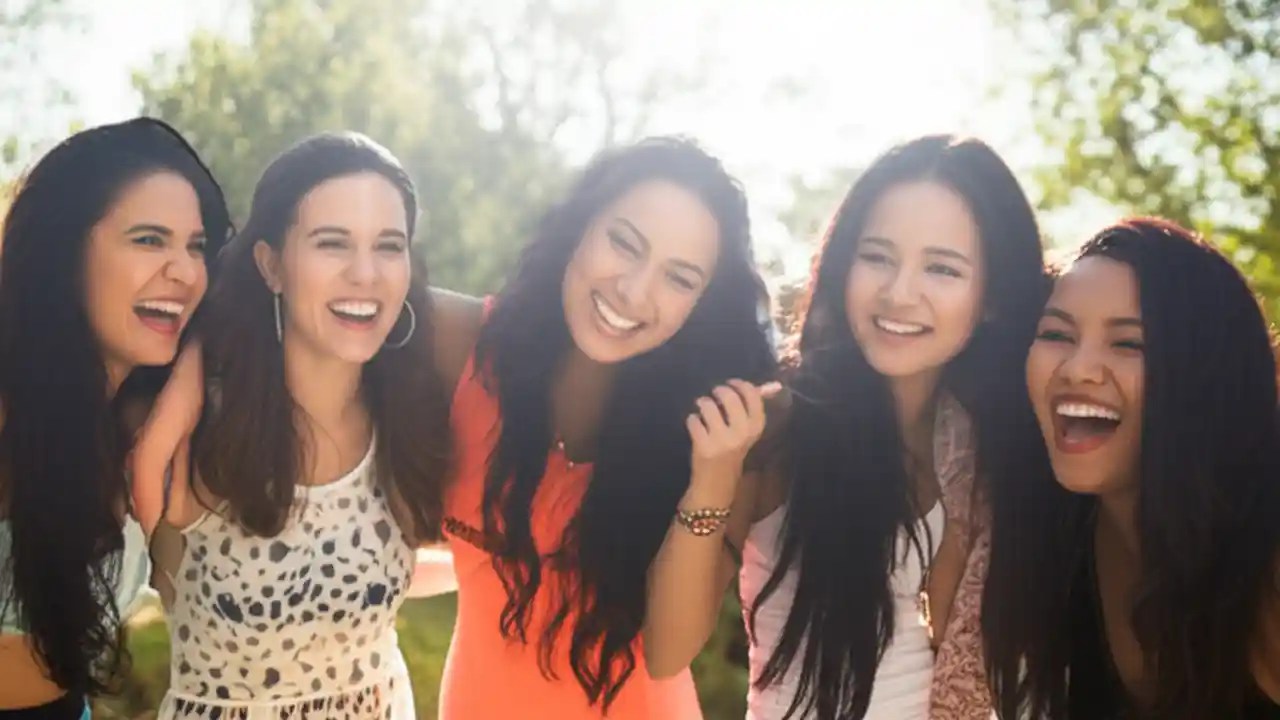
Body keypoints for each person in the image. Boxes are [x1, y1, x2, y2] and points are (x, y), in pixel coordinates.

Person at [646, 135, 1046, 719]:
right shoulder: (780, 425)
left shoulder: (991, 450)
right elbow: (666, 651)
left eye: (942, 268)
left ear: (992, 298)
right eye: (877, 256)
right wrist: (712, 476)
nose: (898, 293)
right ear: (842, 265)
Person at [427, 136, 778, 719]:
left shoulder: (718, 431)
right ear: (581, 224)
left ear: (701, 305)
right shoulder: (460, 343)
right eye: (624, 243)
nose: (634, 290)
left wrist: (712, 478)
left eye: (680, 279)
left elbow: (666, 654)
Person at [134, 132, 452, 719]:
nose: (366, 274)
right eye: (332, 244)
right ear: (271, 264)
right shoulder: (204, 427)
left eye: (389, 246)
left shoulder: (409, 417)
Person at [984, 218, 1280, 719]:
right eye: (1057, 334)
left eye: (1128, 344)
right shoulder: (1054, 538)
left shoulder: (1263, 555)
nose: (1078, 368)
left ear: (1203, 374)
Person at [0, 118, 228, 717]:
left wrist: (193, 369)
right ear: (65, 251)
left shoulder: (143, 421)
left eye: (197, 246)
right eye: (150, 240)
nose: (184, 270)